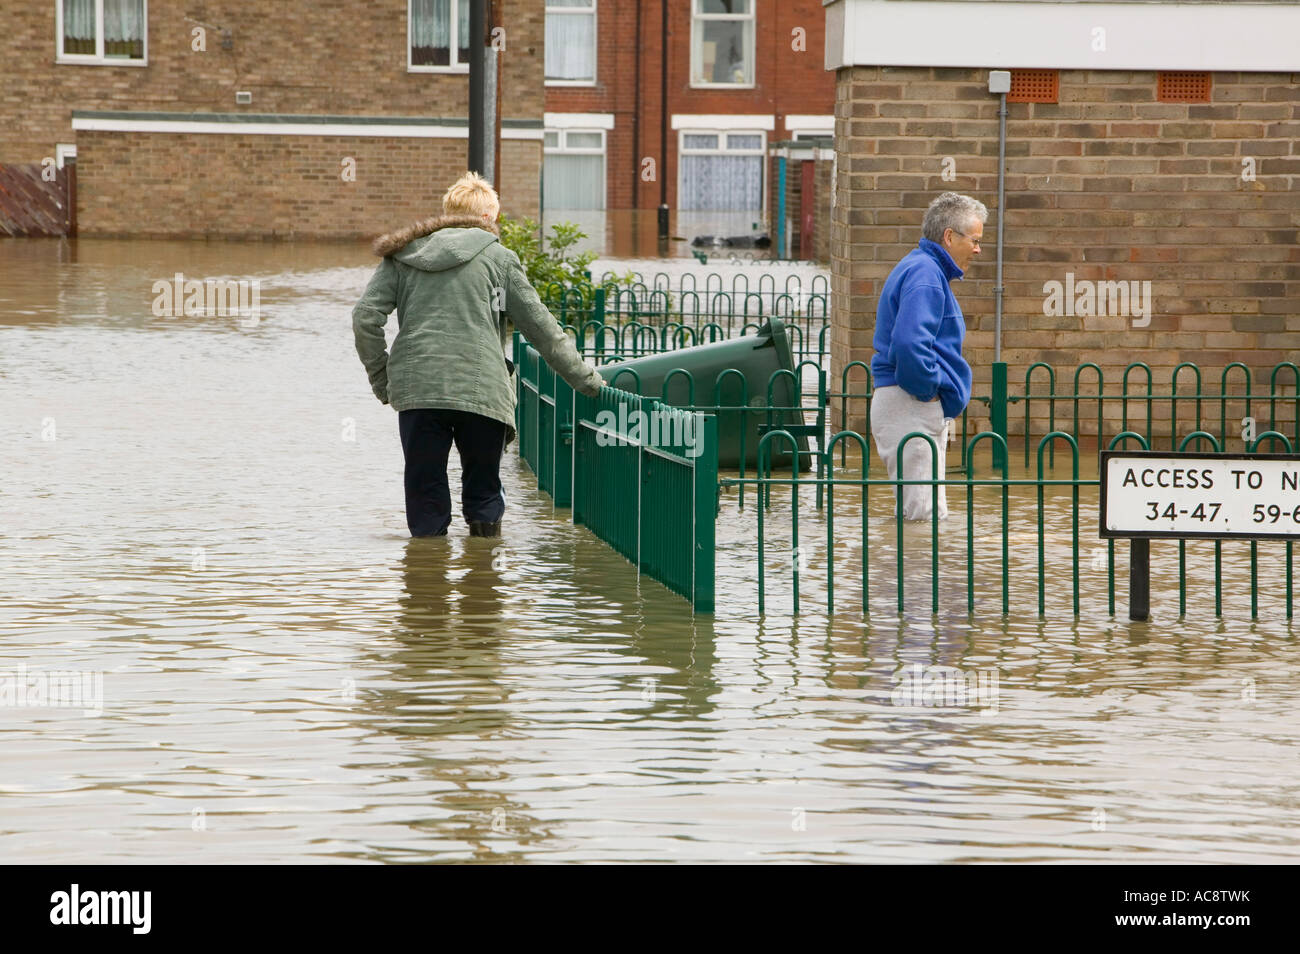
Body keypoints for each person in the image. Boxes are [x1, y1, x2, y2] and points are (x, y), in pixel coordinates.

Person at [352, 172, 604, 538]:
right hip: (481, 390)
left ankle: (426, 580)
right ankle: (483, 581)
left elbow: (364, 318)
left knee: (425, 492)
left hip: (419, 392)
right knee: (484, 491)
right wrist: (587, 381)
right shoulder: (499, 259)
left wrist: (382, 379)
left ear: (447, 213)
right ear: (488, 218)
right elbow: (542, 329)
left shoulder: (404, 257)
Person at [870, 191, 986, 521]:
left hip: (909, 402)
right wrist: (930, 392)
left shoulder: (923, 269)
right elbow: (909, 345)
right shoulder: (926, 276)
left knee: (925, 513)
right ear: (950, 237)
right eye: (974, 240)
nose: (978, 249)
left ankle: (912, 571)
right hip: (910, 402)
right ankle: (911, 574)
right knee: (921, 516)